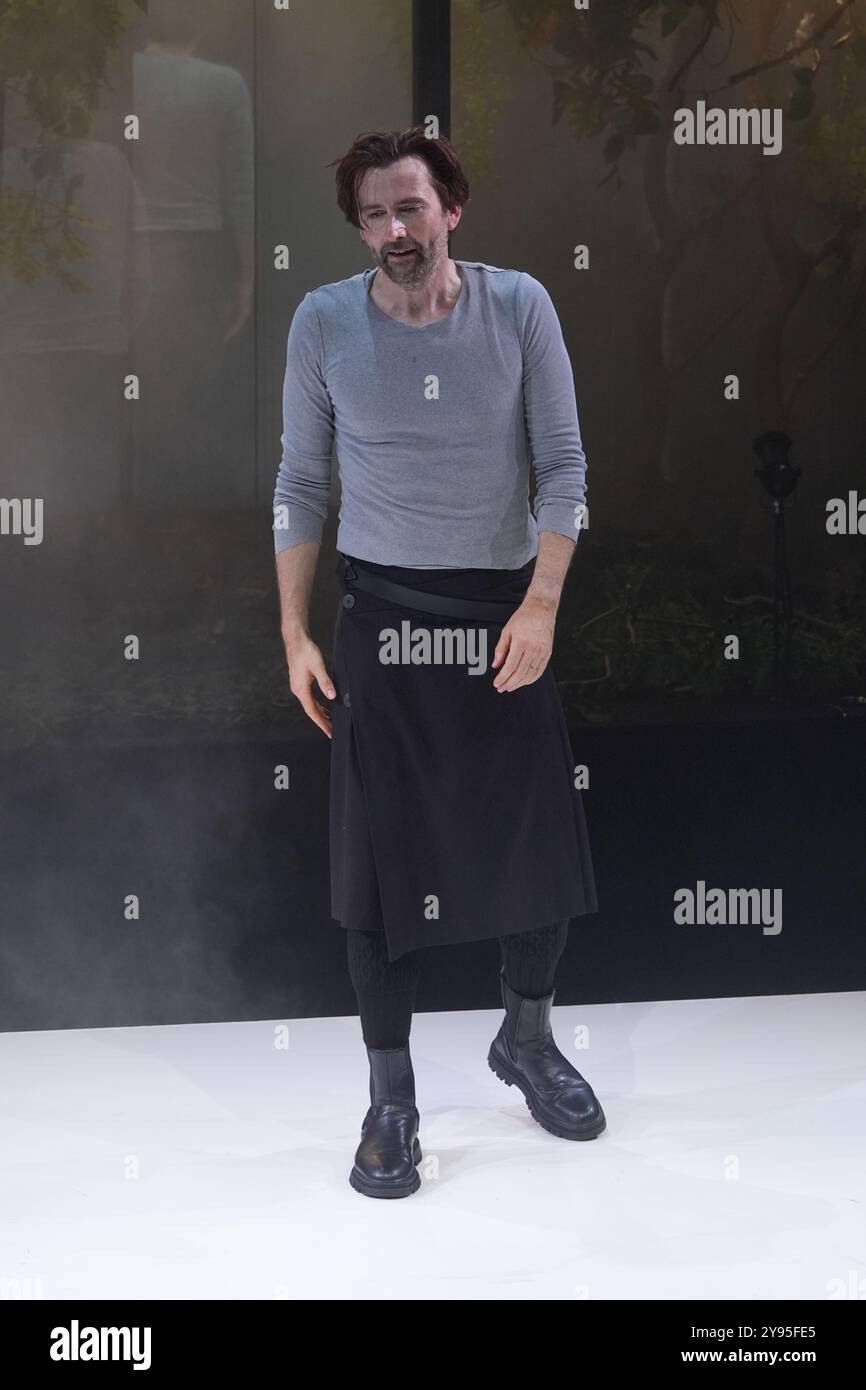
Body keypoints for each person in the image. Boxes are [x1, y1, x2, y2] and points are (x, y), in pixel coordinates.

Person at [272, 126, 604, 1199]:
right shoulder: (322, 321)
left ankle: (526, 1037)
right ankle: (390, 1095)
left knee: (536, 857)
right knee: (378, 881)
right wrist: (292, 631)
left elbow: (560, 468)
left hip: (500, 619)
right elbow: (299, 484)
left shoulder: (518, 308)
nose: (392, 231)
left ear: (450, 206)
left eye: (409, 207)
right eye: (372, 215)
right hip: (383, 624)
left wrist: (542, 604)